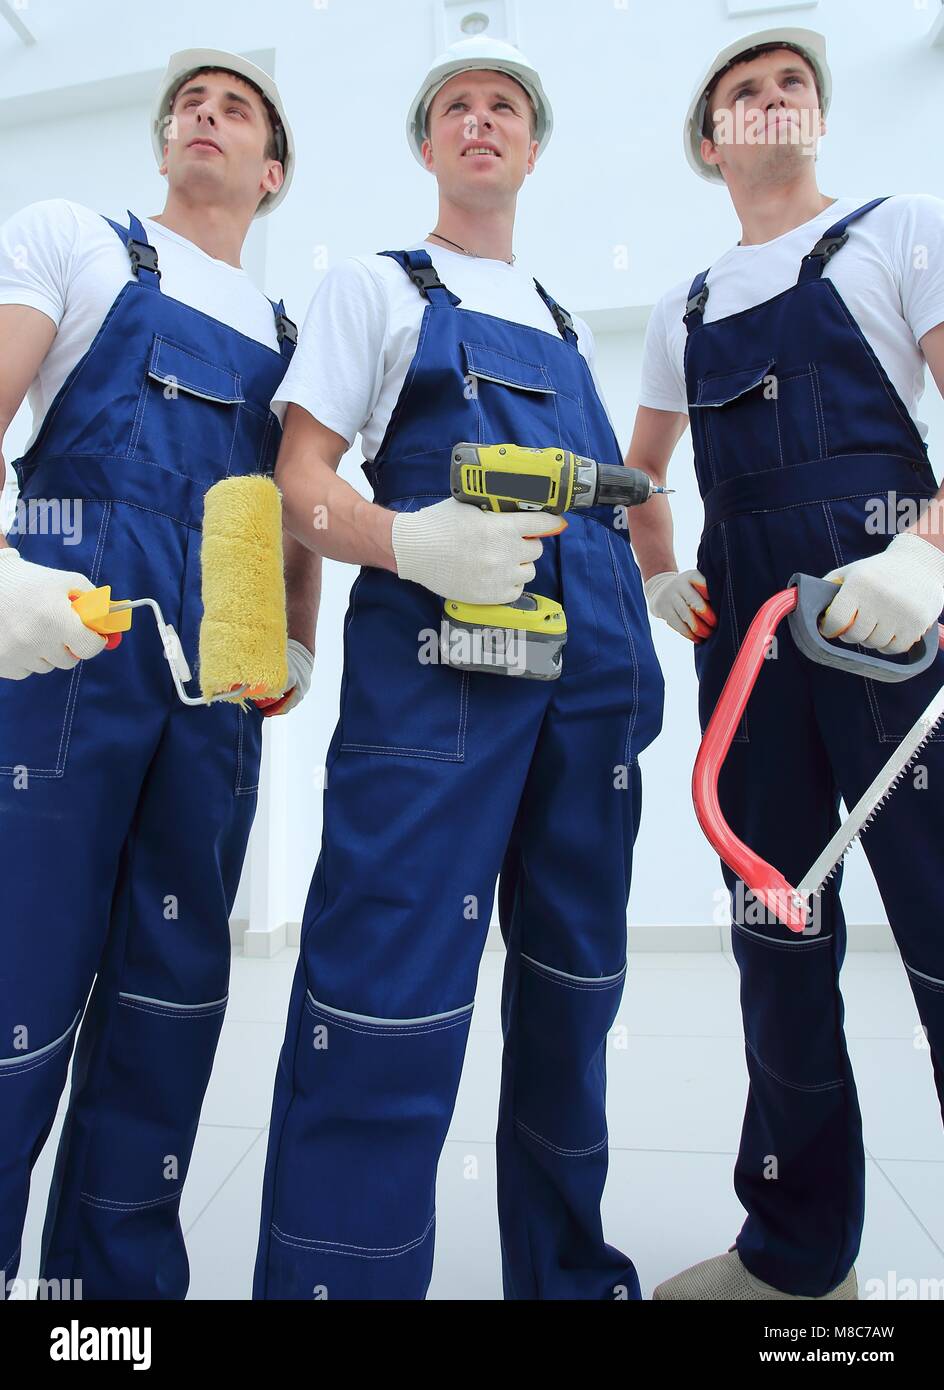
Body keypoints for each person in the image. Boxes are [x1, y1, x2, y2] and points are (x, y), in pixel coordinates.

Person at [252, 35, 664, 1300]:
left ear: (530, 150)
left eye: (502, 108)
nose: (479, 121)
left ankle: (568, 1279)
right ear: (428, 146)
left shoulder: (559, 320)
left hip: (589, 696)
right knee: (385, 997)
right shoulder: (377, 289)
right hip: (437, 678)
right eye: (455, 107)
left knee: (573, 995)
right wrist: (404, 541)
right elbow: (297, 482)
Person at [626, 26, 944, 1299]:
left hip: (887, 619)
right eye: (742, 90)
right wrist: (659, 570)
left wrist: (925, 554)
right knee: (776, 936)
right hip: (748, 647)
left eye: (791, 85)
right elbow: (643, 473)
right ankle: (795, 1257)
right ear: (710, 142)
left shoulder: (896, 234)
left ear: (816, 118)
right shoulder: (685, 307)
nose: (770, 101)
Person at [0, 48, 315, 1300]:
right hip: (66, 647)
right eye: (190, 102)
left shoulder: (287, 340)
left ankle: (106, 1306)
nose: (205, 115)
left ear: (270, 171)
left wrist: (296, 640)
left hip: (209, 699)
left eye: (236, 108)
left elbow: (292, 512)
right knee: (18, 981)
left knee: (165, 1005)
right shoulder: (78, 241)